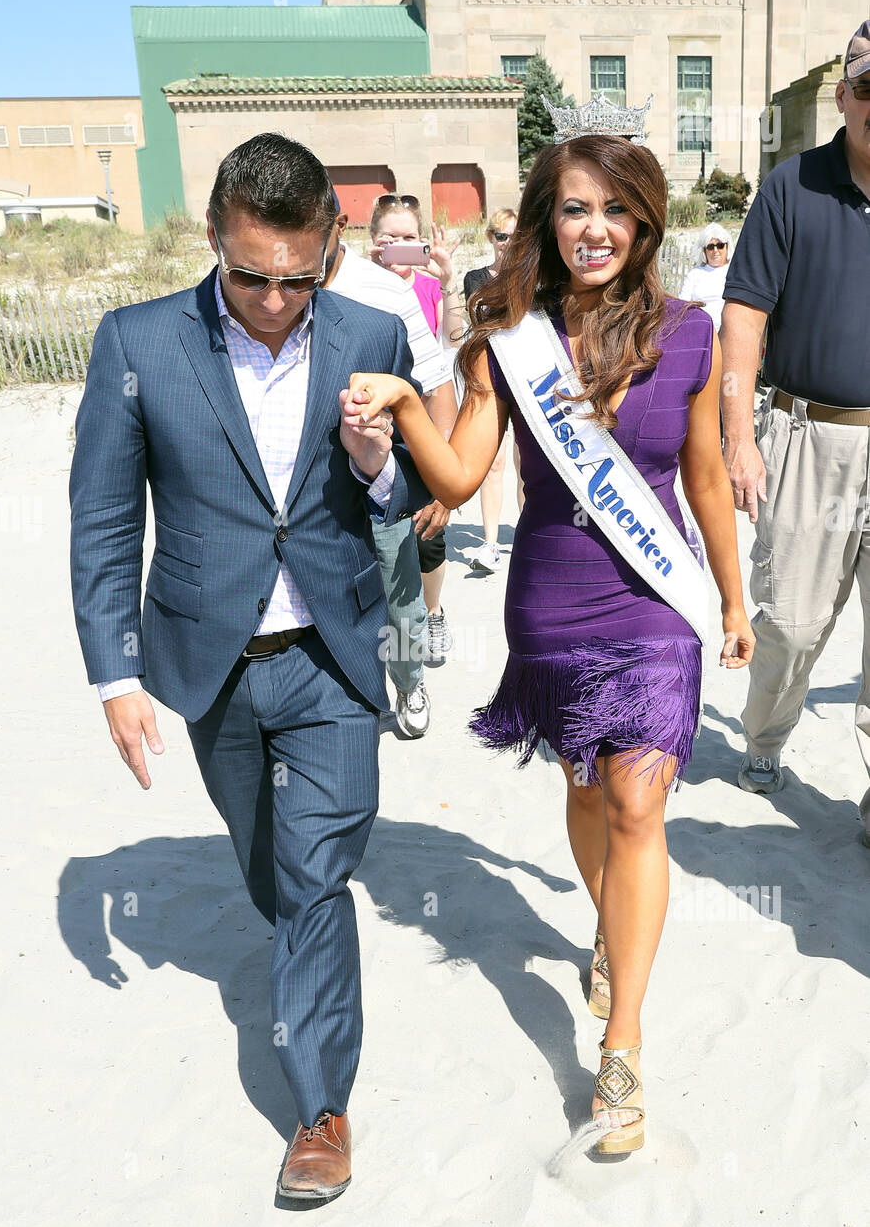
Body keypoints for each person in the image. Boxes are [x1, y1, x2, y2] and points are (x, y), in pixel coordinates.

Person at [342, 119, 753, 1153]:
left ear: (647, 221)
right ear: (547, 218)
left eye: (617, 208)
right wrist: (403, 400)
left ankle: (620, 1046)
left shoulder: (689, 335)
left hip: (658, 608)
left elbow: (704, 477)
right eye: (576, 207)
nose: (596, 227)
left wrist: (735, 600)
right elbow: (458, 476)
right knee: (584, 789)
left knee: (635, 801)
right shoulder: (507, 337)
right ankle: (611, 933)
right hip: (555, 601)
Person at [69, 134, 430, 1202]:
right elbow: (101, 522)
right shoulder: (135, 342)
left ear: (330, 247)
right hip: (205, 659)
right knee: (273, 868)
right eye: (250, 275)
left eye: (297, 276)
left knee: (318, 874)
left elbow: (410, 497)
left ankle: (321, 1108)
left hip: (335, 651)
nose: (275, 300)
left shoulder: (375, 331)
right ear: (213, 237)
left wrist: (375, 464)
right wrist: (112, 672)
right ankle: (302, 948)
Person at [720, 18, 870, 838]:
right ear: (845, 95)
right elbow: (743, 316)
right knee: (796, 619)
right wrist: (740, 434)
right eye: (869, 87)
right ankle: (766, 736)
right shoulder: (792, 187)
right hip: (810, 439)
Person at [322, 196, 457, 737]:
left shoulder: (388, 293)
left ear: (338, 225)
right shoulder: (272, 293)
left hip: (385, 485)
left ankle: (409, 680)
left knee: (402, 604)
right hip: (310, 494)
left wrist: (440, 486)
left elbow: (438, 389)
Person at [369, 194, 462, 661]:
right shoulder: (357, 286)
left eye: (410, 239)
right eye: (390, 240)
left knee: (428, 529)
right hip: (375, 422)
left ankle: (433, 612)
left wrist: (447, 281)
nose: (400, 248)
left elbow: (455, 340)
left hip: (427, 416)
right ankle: (386, 629)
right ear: (372, 242)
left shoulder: (428, 288)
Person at [463, 208, 525, 574]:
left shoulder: (532, 279)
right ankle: (489, 543)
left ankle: (523, 534)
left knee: (526, 463)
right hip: (489, 376)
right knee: (494, 463)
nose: (508, 244)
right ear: (491, 238)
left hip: (526, 375)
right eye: (502, 237)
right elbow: (480, 325)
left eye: (516, 237)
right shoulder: (476, 279)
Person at [678, 222, 732, 331]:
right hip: (699, 331)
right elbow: (683, 304)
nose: (715, 251)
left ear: (727, 247)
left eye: (720, 245)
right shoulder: (695, 274)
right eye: (710, 247)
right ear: (704, 250)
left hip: (727, 332)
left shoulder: (733, 272)